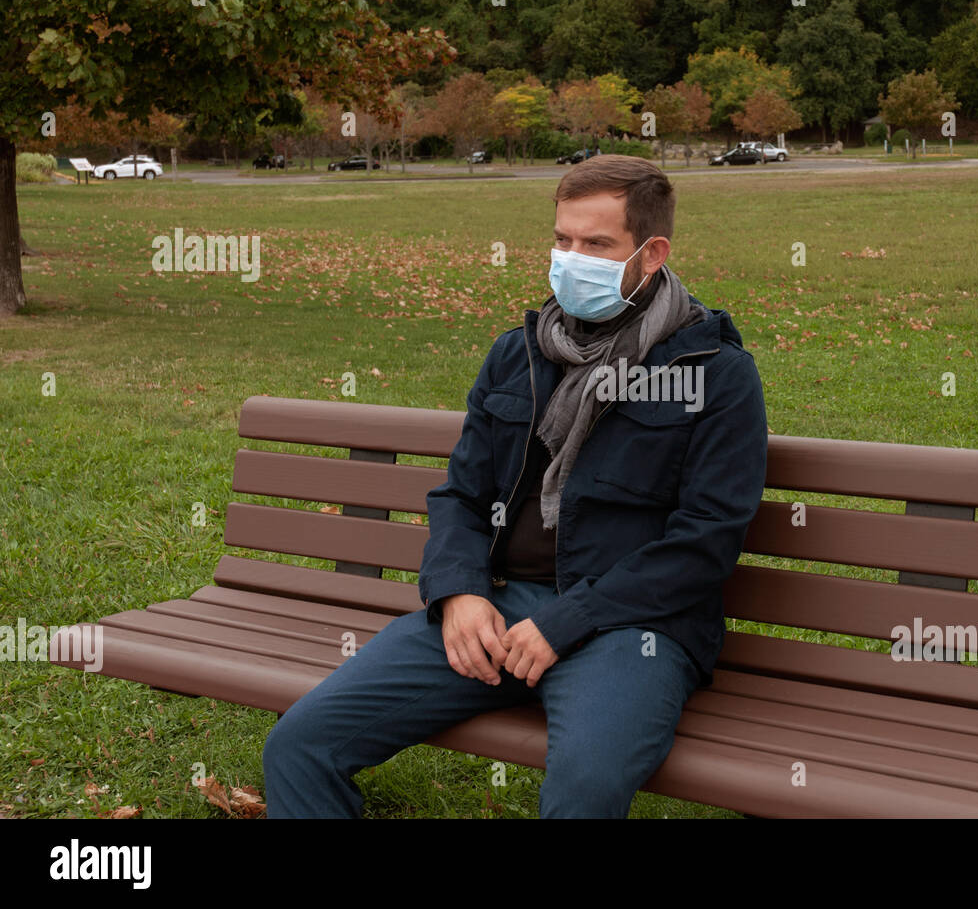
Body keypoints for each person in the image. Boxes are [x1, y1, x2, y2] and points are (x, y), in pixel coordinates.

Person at [262, 154, 769, 818]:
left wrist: (568, 619)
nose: (571, 259)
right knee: (300, 743)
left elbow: (704, 542)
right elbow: (462, 497)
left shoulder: (714, 373)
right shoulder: (521, 352)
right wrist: (459, 591)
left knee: (583, 789)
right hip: (496, 607)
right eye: (562, 240)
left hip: (627, 625)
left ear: (651, 254)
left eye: (596, 244)